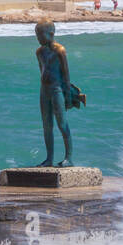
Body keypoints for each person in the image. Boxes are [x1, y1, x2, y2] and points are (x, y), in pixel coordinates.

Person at [34, 18, 84, 167]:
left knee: (62, 124)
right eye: (36, 35)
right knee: (47, 125)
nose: (38, 38)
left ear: (51, 33)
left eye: (40, 35)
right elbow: (41, 70)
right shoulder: (39, 52)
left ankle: (68, 158)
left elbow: (66, 75)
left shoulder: (60, 51)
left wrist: (68, 96)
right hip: (44, 91)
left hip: (57, 90)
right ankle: (49, 158)